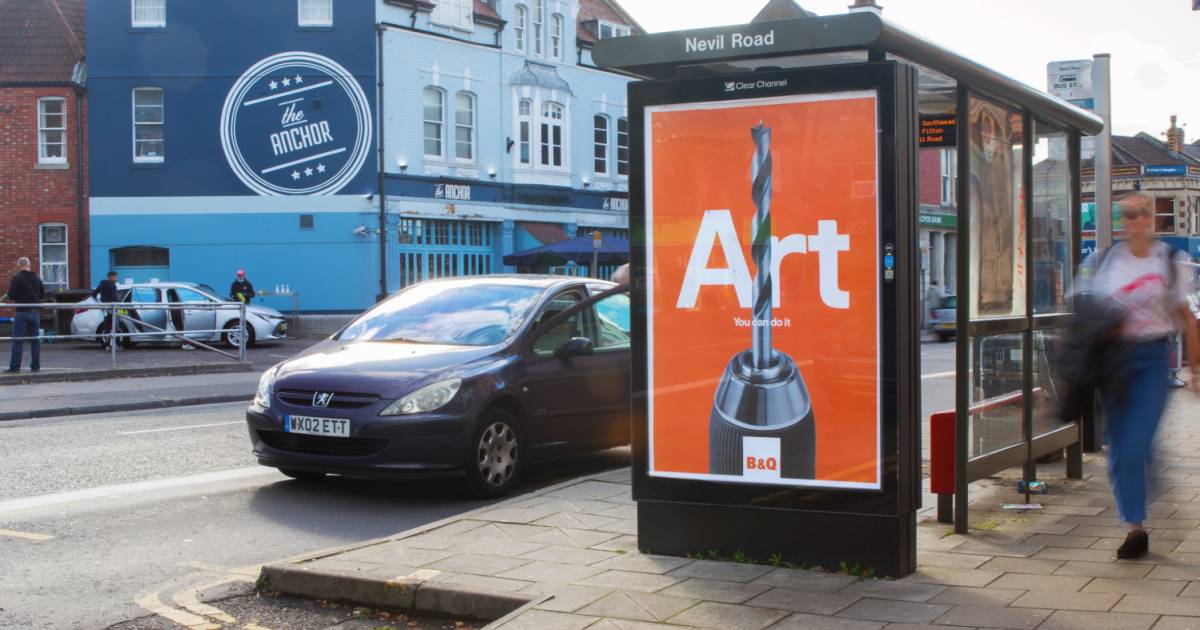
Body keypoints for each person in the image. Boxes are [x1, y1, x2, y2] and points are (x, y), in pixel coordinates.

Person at [1079, 191, 1200, 559]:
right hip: (1115, 364)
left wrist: (1196, 370)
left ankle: (1146, 474)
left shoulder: (1169, 260)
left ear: (1152, 219)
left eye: (1141, 213)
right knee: (1119, 449)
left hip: (1151, 361)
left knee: (1135, 444)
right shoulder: (1105, 262)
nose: (1134, 221)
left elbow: (1187, 319)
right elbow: (1085, 310)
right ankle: (1135, 527)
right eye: (1127, 215)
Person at [2, 257, 46, 373]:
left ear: (18, 265)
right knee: (35, 341)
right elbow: (42, 295)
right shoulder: (37, 278)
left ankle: (15, 367)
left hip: (21, 312)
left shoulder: (17, 278)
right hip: (35, 313)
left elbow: (11, 295)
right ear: (29, 264)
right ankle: (35, 367)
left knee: (18, 340)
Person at [92, 271, 121, 349]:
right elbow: (94, 294)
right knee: (109, 327)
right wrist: (101, 304)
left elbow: (114, 297)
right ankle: (109, 345)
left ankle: (115, 344)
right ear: (110, 277)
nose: (116, 279)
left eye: (116, 277)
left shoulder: (114, 285)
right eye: (114, 277)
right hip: (108, 308)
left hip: (114, 308)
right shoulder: (104, 284)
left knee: (115, 327)